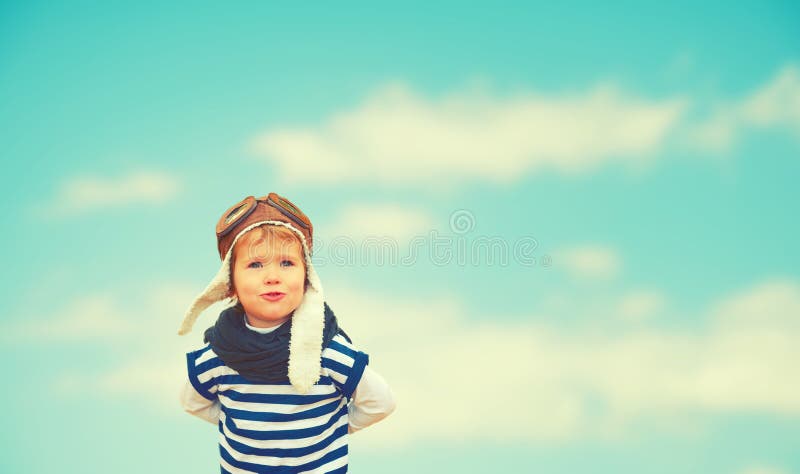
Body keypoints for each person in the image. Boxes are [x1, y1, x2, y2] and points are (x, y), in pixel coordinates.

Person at [178, 193, 395, 473]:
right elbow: (191, 402)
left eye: (287, 263)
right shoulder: (218, 356)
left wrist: (333, 427)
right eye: (255, 264)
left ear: (307, 277)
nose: (272, 277)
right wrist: (246, 425)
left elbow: (380, 402)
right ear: (229, 283)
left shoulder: (328, 352)